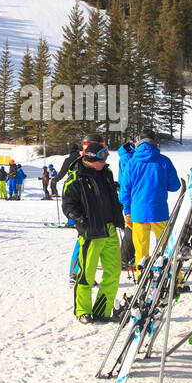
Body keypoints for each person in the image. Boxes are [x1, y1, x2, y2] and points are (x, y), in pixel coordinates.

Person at [62, 134, 125, 323]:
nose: (105, 162)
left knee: (113, 272)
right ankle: (83, 310)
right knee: (86, 275)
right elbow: (68, 206)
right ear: (91, 159)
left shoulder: (106, 172)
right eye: (102, 159)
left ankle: (102, 310)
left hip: (110, 229)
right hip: (91, 232)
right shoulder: (76, 176)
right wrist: (81, 220)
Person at [118, 130, 181, 274]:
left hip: (138, 213)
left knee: (141, 250)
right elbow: (175, 186)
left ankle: (142, 279)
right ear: (155, 142)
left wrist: (127, 212)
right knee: (167, 247)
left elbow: (124, 191)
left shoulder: (132, 163)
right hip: (159, 211)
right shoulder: (164, 161)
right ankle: (176, 279)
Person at [116, 139, 138, 275]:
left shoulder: (129, 156)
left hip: (131, 196)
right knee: (131, 227)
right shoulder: (127, 157)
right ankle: (124, 258)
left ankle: (127, 256)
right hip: (130, 196)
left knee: (134, 227)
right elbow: (127, 178)